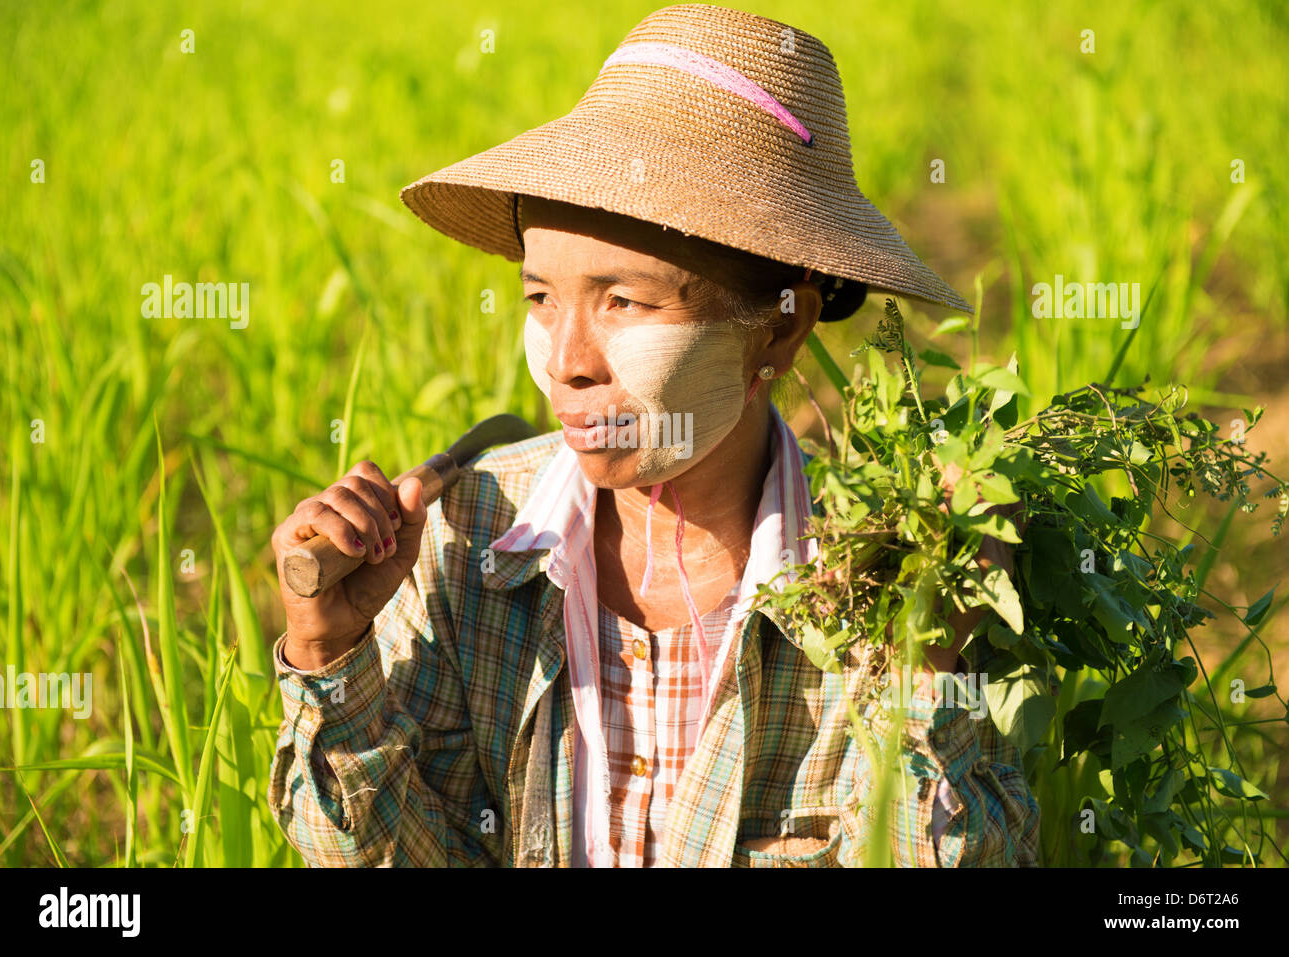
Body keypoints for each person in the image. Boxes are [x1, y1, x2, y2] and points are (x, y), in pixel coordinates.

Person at [267, 3, 1040, 867]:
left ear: (779, 331)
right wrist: (331, 653)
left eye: (624, 302)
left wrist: (924, 670)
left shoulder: (887, 577)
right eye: (540, 299)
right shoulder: (460, 542)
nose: (566, 360)